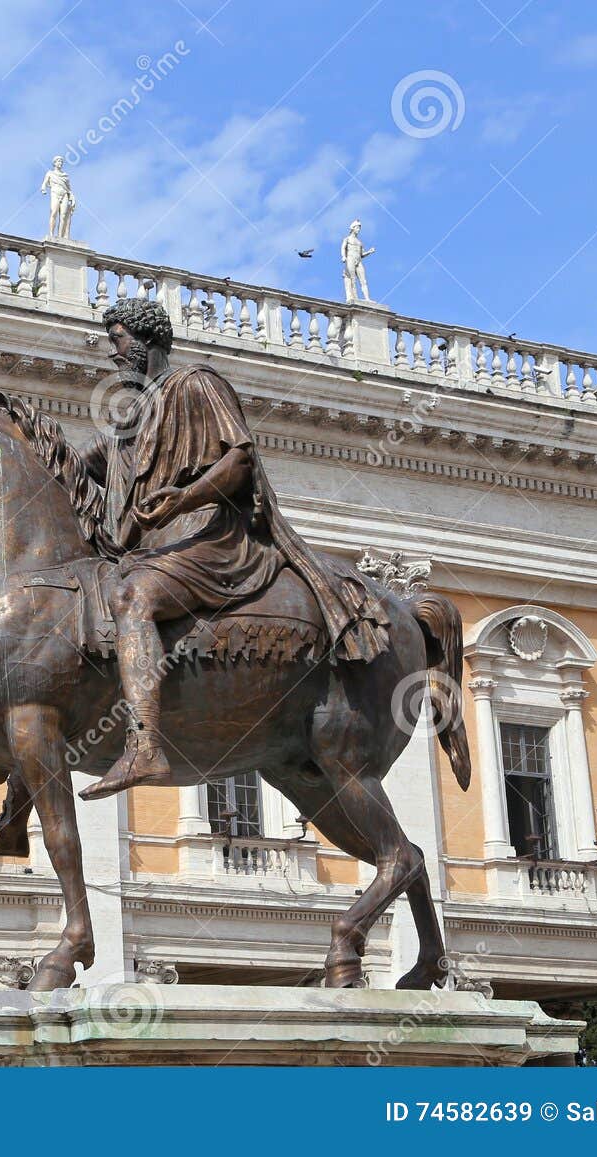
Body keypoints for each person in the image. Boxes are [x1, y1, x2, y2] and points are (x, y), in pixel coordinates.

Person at [78, 298, 388, 800]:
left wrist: (184, 497)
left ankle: (145, 744)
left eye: (117, 339)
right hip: (160, 546)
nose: (111, 351)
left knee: (133, 598)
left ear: (145, 338)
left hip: (212, 536)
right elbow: (81, 464)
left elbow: (239, 463)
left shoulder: (197, 384)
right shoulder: (132, 418)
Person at [39, 156, 76, 241]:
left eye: (61, 162)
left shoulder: (65, 176)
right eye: (58, 161)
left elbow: (69, 189)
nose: (60, 163)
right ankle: (51, 234)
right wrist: (43, 189)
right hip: (55, 193)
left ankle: (60, 236)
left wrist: (72, 197)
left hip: (64, 194)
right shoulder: (50, 173)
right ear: (54, 163)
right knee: (54, 212)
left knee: (63, 215)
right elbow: (44, 184)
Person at [341, 219, 374, 304]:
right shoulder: (347, 239)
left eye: (359, 228)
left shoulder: (359, 242)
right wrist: (344, 256)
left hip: (358, 260)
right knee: (352, 279)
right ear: (353, 228)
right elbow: (343, 248)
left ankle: (367, 298)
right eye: (357, 228)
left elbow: (362, 254)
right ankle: (354, 297)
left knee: (363, 280)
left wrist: (369, 252)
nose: (358, 230)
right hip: (350, 258)